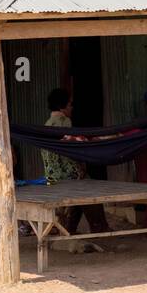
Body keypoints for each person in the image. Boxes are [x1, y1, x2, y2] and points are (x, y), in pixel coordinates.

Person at [39, 88, 110, 235]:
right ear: (62, 106)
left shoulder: (47, 124)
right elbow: (72, 147)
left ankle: (67, 229)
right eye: (70, 104)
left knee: (78, 196)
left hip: (52, 176)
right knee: (90, 190)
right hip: (68, 174)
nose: (72, 107)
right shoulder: (64, 121)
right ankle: (99, 227)